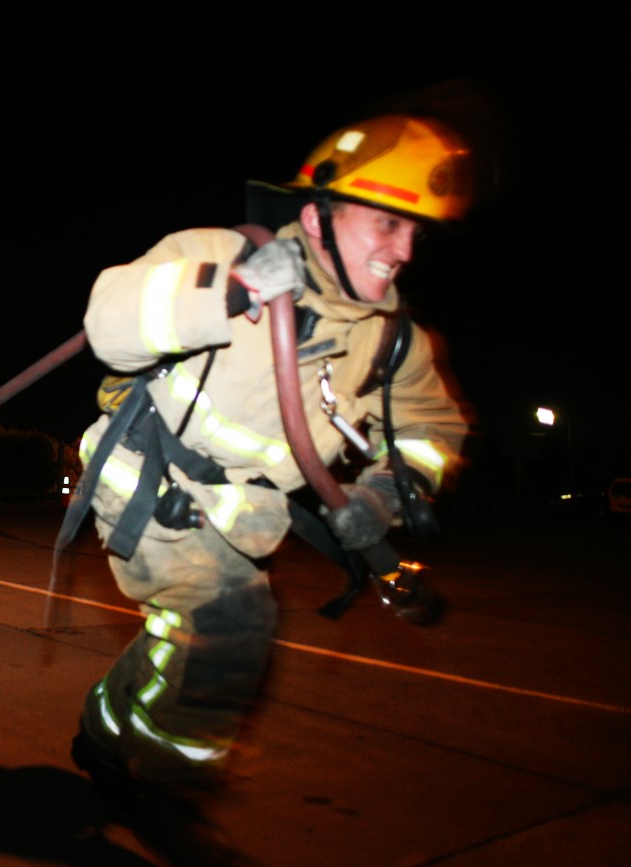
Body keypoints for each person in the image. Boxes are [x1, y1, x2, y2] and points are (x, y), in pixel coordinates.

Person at [67, 114, 475, 862]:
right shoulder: (220, 253)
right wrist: (229, 290)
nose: (403, 250)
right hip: (149, 481)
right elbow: (109, 319)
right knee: (229, 625)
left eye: (416, 234)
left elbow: (430, 428)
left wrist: (385, 494)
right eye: (387, 223)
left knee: (182, 633)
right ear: (318, 213)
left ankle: (100, 730)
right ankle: (161, 787)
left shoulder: (389, 336)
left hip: (243, 513)